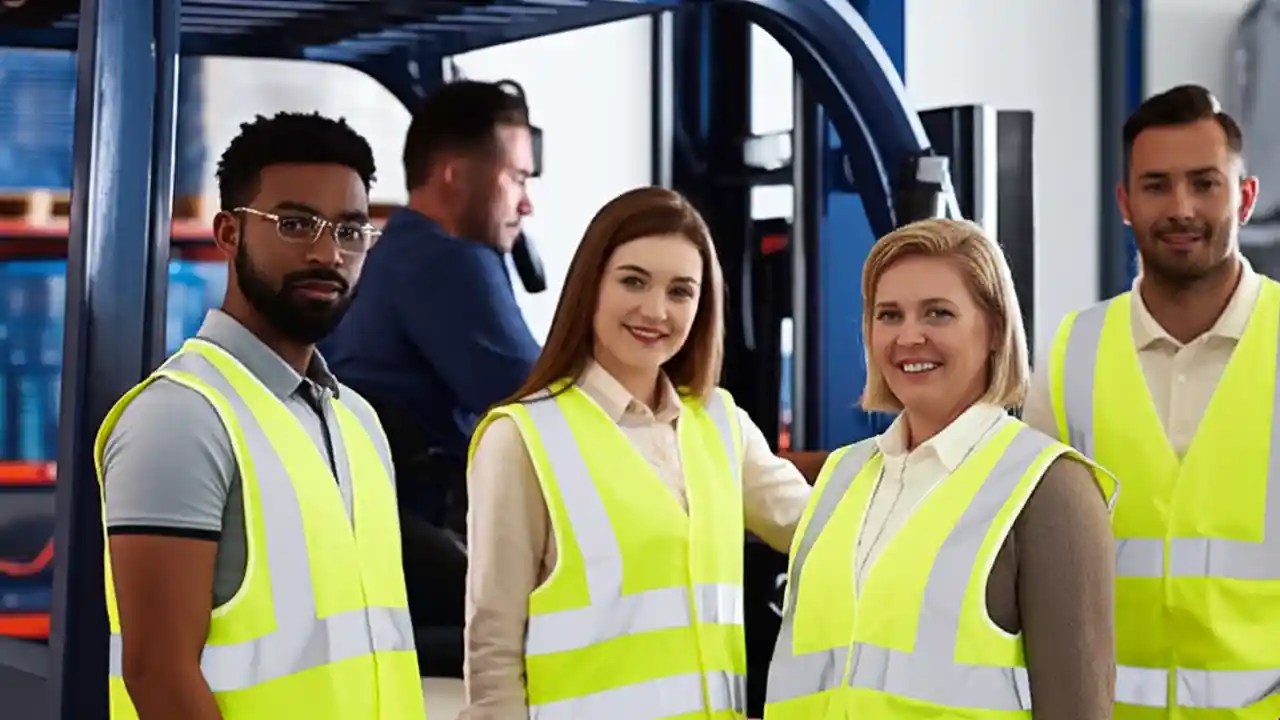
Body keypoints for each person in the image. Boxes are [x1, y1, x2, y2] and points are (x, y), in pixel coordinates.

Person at [96, 113, 424, 720]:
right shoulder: (180, 420)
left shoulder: (357, 422)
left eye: (351, 230)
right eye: (296, 224)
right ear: (228, 232)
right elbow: (158, 675)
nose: (328, 253)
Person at [462, 186, 813, 719]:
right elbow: (493, 644)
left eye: (681, 291)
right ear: (591, 285)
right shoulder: (521, 439)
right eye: (633, 281)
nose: (656, 310)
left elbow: (822, 530)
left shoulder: (721, 425)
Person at [764, 218, 1118, 720]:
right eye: (889, 315)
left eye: (938, 314)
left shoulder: (1049, 489)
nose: (909, 337)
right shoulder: (843, 477)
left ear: (994, 330)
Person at [1023, 84, 1280, 719]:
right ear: (1125, 203)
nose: (1181, 207)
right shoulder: (1070, 353)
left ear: (1245, 198)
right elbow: (1031, 559)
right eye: (1157, 185)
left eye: (1204, 183)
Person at [322, 79, 540, 532]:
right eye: (516, 178)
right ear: (455, 176)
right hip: (421, 523)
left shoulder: (398, 250)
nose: (527, 204)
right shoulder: (448, 261)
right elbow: (542, 403)